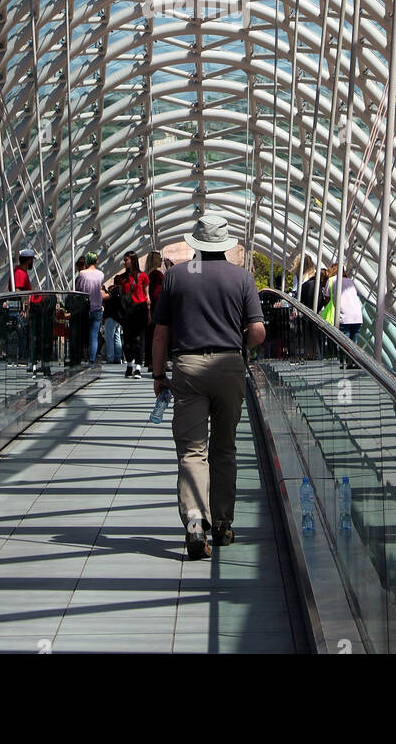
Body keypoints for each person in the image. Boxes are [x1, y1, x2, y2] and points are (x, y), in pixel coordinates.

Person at [152, 211, 266, 560]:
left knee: (192, 451)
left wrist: (159, 376)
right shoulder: (242, 278)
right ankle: (223, 524)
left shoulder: (176, 276)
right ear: (225, 244)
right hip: (229, 365)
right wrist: (240, 346)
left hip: (188, 366)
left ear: (196, 245)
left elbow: (160, 333)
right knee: (225, 448)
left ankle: (194, 523)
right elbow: (258, 330)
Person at [13, 246, 51, 376]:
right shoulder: (20, 273)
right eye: (31, 260)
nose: (32, 263)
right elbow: (18, 291)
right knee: (34, 337)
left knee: (34, 337)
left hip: (31, 309)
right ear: (28, 260)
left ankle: (34, 363)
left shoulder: (22, 272)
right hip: (28, 310)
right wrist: (25, 307)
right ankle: (34, 362)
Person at [115, 251, 150, 378]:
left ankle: (138, 367)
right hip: (128, 312)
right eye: (124, 260)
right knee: (128, 340)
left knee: (139, 339)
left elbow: (147, 296)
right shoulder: (121, 278)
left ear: (133, 260)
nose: (124, 262)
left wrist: (149, 313)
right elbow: (121, 295)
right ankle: (129, 365)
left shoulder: (143, 276)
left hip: (140, 310)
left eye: (126, 260)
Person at [75, 250, 107, 363]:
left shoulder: (82, 274)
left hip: (84, 307)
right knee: (94, 336)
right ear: (96, 261)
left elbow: (78, 290)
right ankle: (92, 359)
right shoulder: (101, 275)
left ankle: (82, 357)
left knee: (83, 333)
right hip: (97, 307)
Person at [102, 274, 124, 364]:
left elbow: (106, 298)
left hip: (110, 316)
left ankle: (110, 357)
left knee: (109, 338)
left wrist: (102, 291)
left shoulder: (115, 290)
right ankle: (118, 357)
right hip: (118, 318)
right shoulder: (122, 291)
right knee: (117, 337)